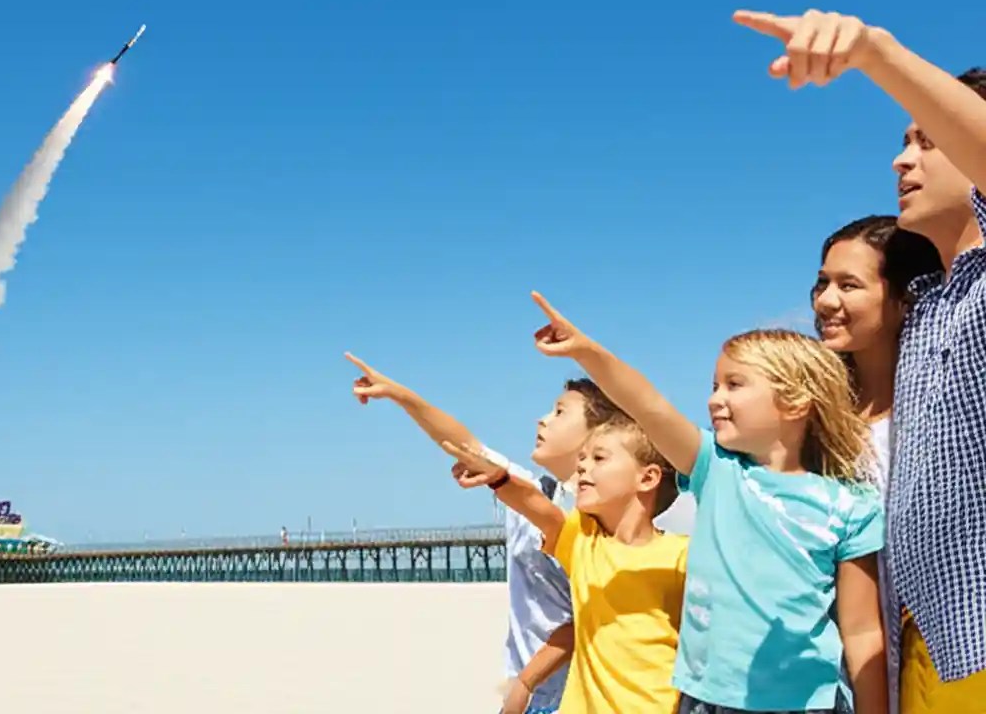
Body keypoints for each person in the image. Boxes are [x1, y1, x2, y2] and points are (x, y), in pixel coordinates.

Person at [734, 9, 986, 711]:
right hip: (925, 646)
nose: (901, 160)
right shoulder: (934, 303)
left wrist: (876, 51)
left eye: (928, 140)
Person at [525, 290, 888, 714]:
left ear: (795, 402)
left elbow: (862, 631)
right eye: (715, 385)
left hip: (806, 703)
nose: (715, 398)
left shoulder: (850, 505)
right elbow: (648, 406)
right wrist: (587, 352)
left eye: (735, 385)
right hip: (707, 699)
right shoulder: (715, 469)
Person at [344, 353, 621, 714]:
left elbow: (584, 618)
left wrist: (527, 682)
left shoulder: (596, 517)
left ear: (595, 436)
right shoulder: (534, 492)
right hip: (531, 690)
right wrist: (400, 395)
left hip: (566, 693)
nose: (542, 419)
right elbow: (463, 444)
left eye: (559, 412)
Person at [443, 415, 687, 714]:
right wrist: (498, 478)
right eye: (582, 458)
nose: (583, 466)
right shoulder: (584, 543)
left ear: (647, 478)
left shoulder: (683, 555)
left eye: (599, 458)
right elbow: (535, 504)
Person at [811, 215, 942, 712]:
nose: (826, 301)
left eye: (849, 285)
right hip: (831, 677)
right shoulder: (811, 416)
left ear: (905, 297)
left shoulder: (945, 411)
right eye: (823, 283)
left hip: (938, 659)